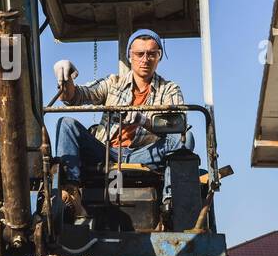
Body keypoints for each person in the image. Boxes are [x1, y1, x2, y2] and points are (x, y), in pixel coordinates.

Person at [53, 30, 190, 223]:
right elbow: (76, 96)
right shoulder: (113, 83)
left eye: (152, 54)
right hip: (107, 151)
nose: (145, 59)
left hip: (144, 153)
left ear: (159, 57)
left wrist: (144, 120)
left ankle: (169, 202)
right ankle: (71, 195)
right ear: (129, 57)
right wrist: (66, 81)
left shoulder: (169, 89)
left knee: (185, 139)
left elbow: (177, 124)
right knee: (66, 124)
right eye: (139, 54)